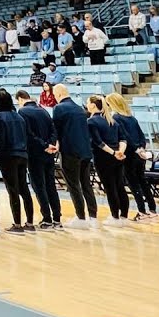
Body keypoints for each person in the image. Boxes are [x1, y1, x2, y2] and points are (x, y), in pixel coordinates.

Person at [51, 83, 99, 228]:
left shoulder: (59, 108)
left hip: (70, 151)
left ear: (58, 94)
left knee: (73, 185)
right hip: (85, 151)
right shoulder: (79, 108)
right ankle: (93, 216)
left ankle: (81, 217)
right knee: (86, 184)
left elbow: (56, 130)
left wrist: (54, 144)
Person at [105, 92, 157, 221]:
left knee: (133, 183)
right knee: (142, 181)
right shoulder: (131, 118)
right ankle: (152, 209)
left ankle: (142, 211)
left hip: (129, 154)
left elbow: (124, 136)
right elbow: (141, 135)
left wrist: (135, 149)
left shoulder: (116, 117)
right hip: (139, 154)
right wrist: (141, 149)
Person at [16, 90, 63, 231]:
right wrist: (51, 144)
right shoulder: (43, 110)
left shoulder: (22, 112)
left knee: (39, 187)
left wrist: (44, 145)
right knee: (51, 186)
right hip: (49, 153)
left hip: (35, 154)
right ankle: (57, 218)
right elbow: (53, 130)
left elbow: (29, 135)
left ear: (20, 99)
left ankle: (47, 218)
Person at [0, 89, 34, 234]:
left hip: (8, 156)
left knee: (13, 190)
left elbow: (2, 139)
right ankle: (30, 222)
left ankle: (17, 224)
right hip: (22, 155)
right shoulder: (19, 116)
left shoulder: (0, 117)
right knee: (24, 189)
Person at [86, 95, 130, 227]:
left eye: (88, 103)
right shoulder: (112, 121)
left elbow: (98, 142)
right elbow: (123, 139)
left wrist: (113, 152)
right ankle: (124, 216)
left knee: (110, 188)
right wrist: (120, 151)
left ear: (93, 105)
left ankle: (115, 216)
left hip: (103, 158)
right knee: (120, 186)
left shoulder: (91, 122)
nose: (87, 105)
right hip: (118, 158)